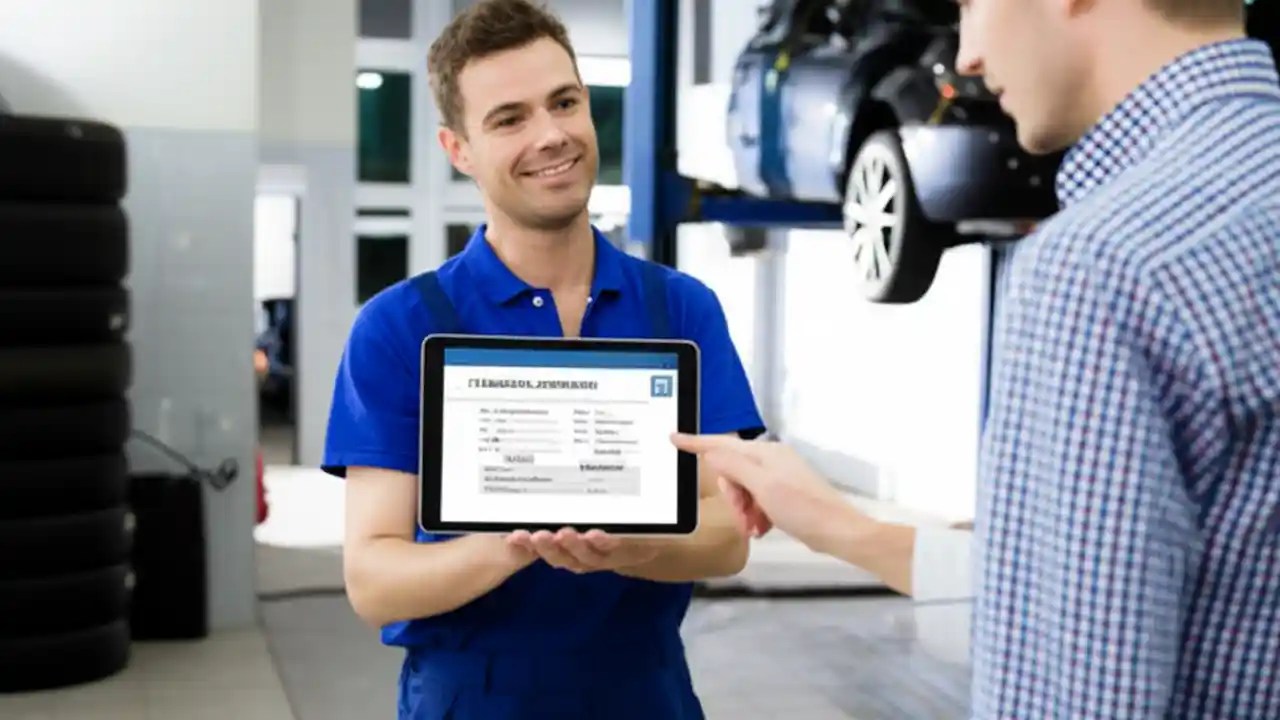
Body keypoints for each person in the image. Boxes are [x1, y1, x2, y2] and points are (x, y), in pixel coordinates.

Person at [676, 0, 1280, 717]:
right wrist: (847, 531)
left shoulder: (1099, 268)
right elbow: (1196, 592)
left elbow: (1077, 694)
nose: (965, 55)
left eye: (970, 4)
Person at [322, 1, 765, 718]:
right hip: (470, 699)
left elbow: (726, 536)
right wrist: (517, 543)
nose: (552, 135)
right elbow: (374, 577)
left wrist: (633, 547)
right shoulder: (399, 329)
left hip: (645, 694)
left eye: (565, 103)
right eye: (509, 118)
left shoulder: (680, 311)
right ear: (458, 148)